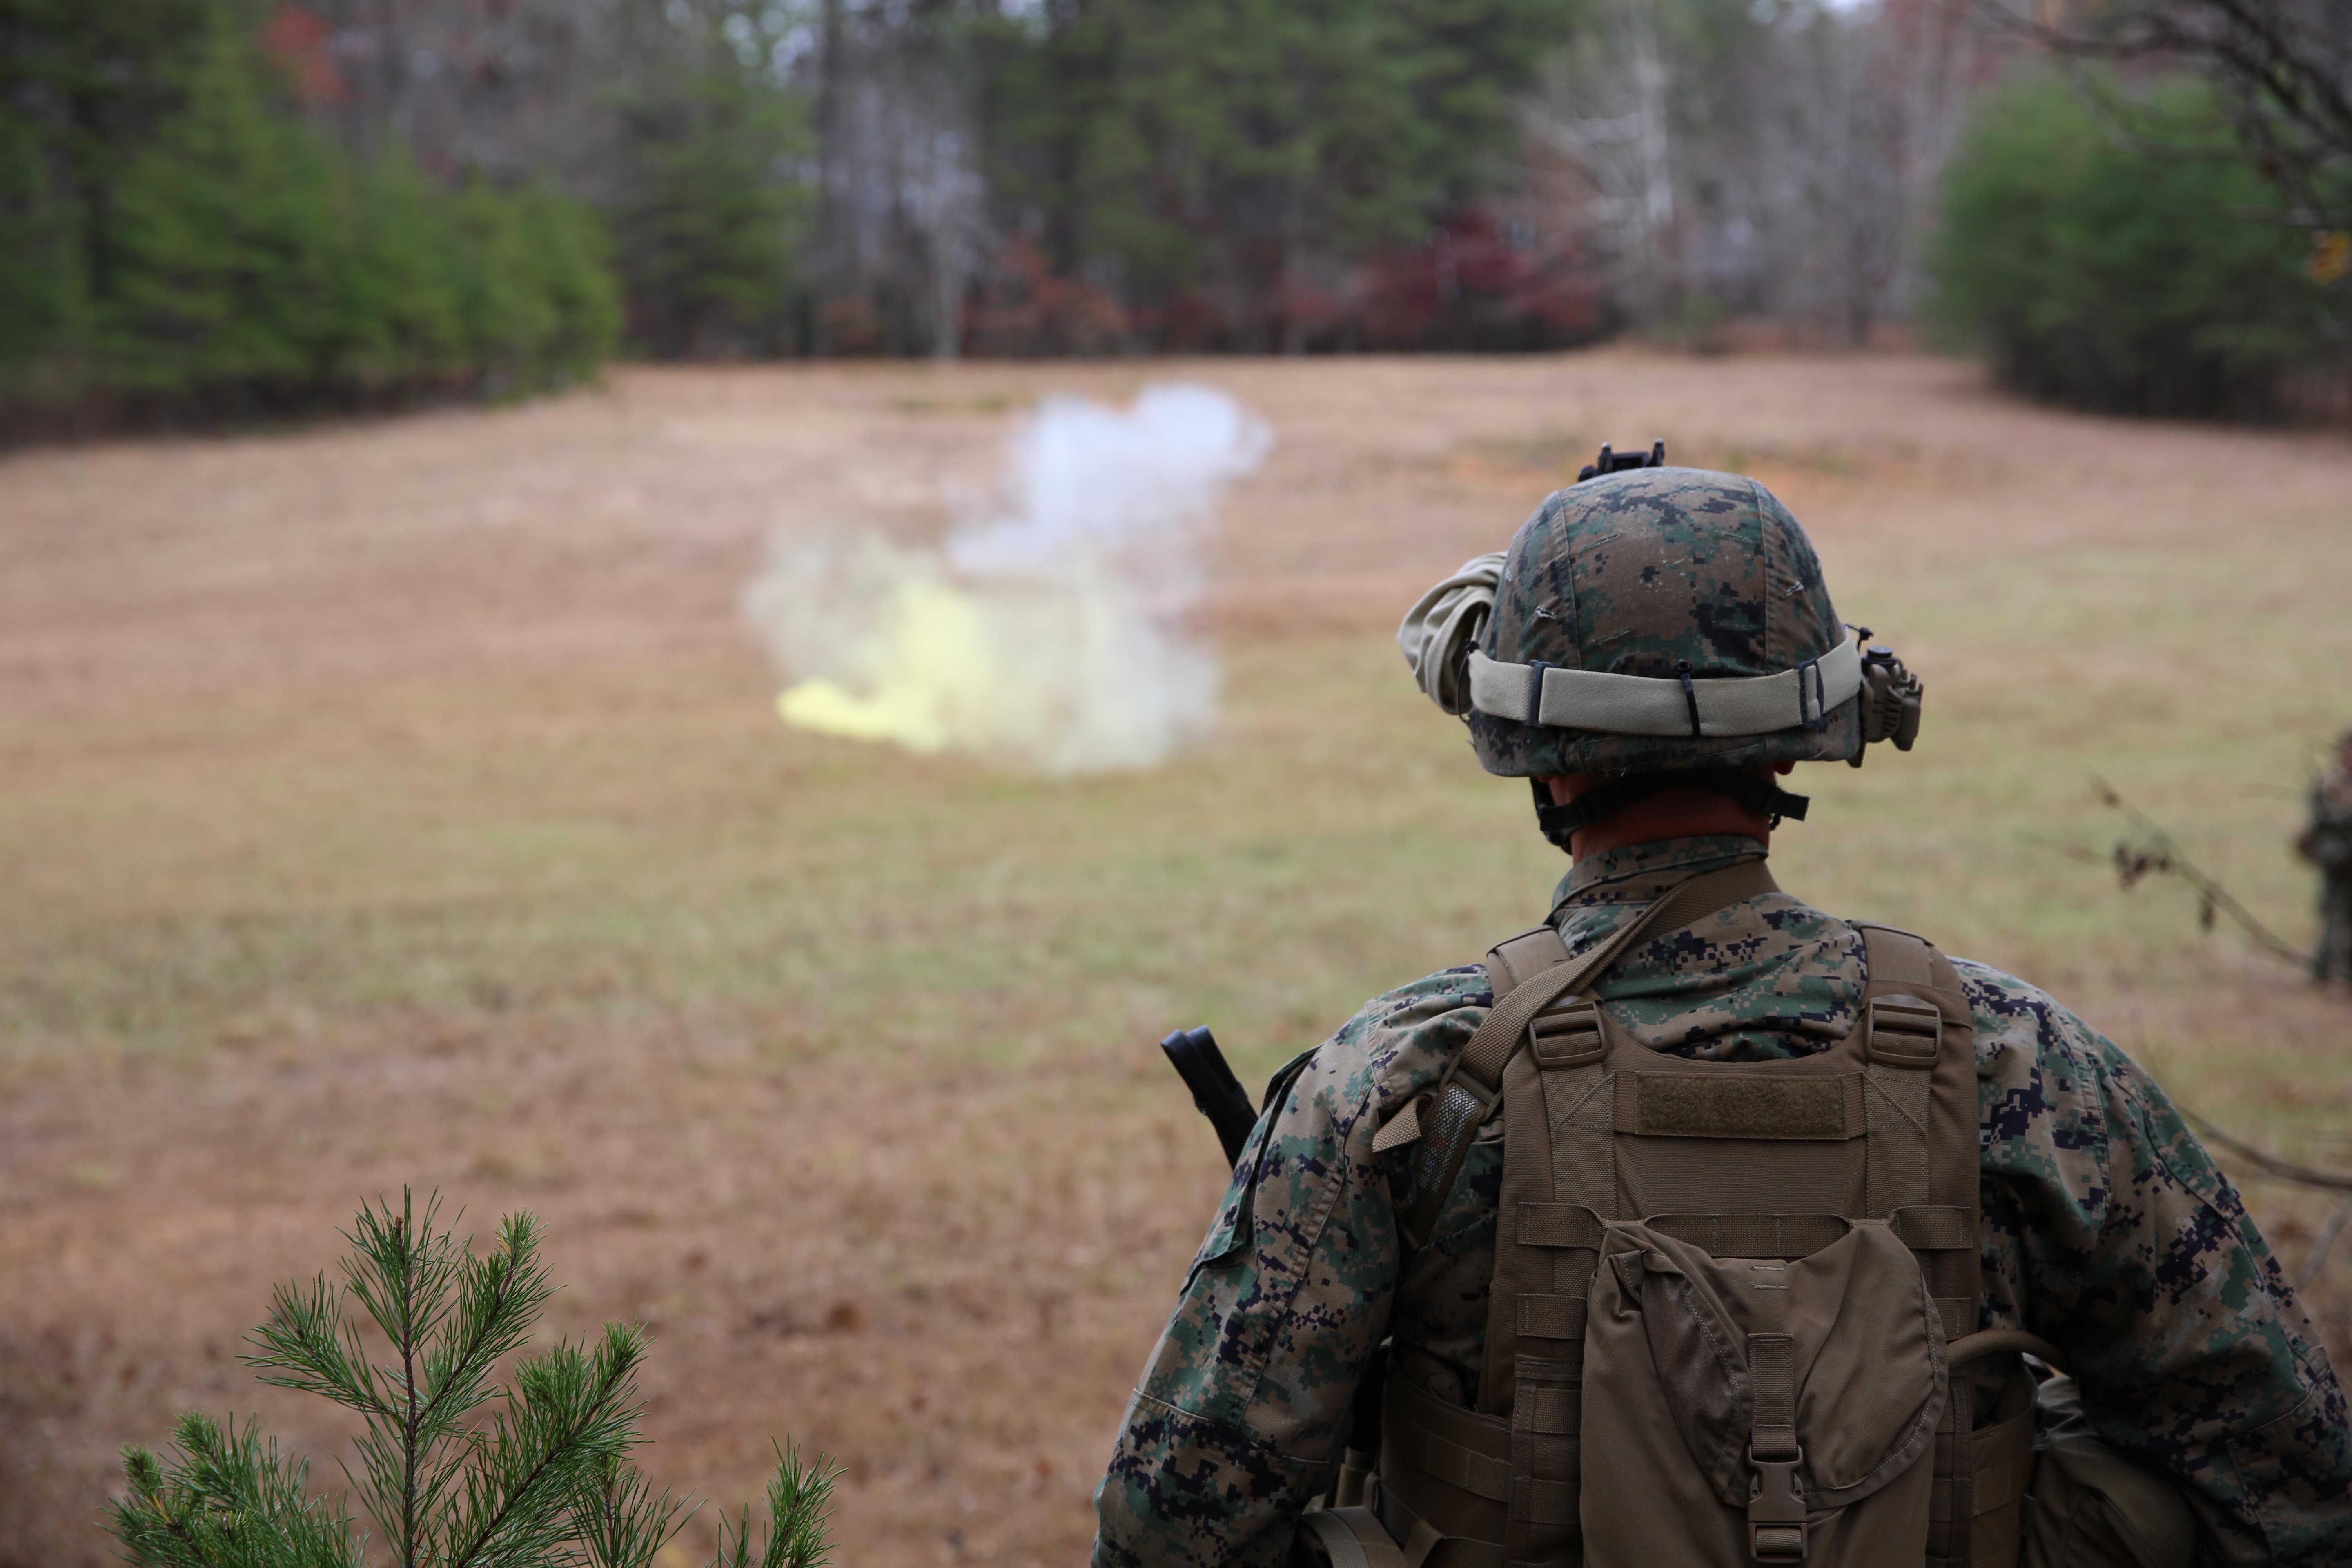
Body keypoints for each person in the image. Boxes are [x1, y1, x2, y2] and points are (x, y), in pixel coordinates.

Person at [1091, 464, 2350, 1567]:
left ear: (1534, 753)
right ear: (1798, 742)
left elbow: (1172, 1528)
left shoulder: (1409, 1080)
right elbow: (2292, 1479)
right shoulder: (2023, 1064)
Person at [2295, 731, 2352, 985]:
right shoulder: (2330, 782)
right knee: (2332, 916)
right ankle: (2321, 973)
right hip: (2338, 861)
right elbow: (2322, 816)